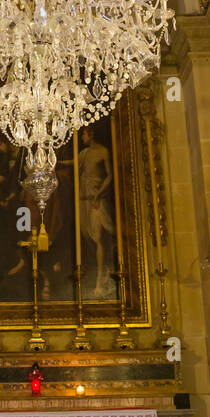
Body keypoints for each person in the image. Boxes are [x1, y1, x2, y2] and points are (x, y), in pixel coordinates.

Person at [78, 125, 116, 298]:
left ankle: (100, 279)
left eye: (83, 134)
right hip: (84, 199)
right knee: (89, 238)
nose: (82, 138)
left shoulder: (103, 151)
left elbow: (110, 175)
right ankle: (102, 271)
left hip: (97, 199)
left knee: (99, 237)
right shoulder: (83, 154)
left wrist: (99, 193)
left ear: (91, 134)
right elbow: (74, 165)